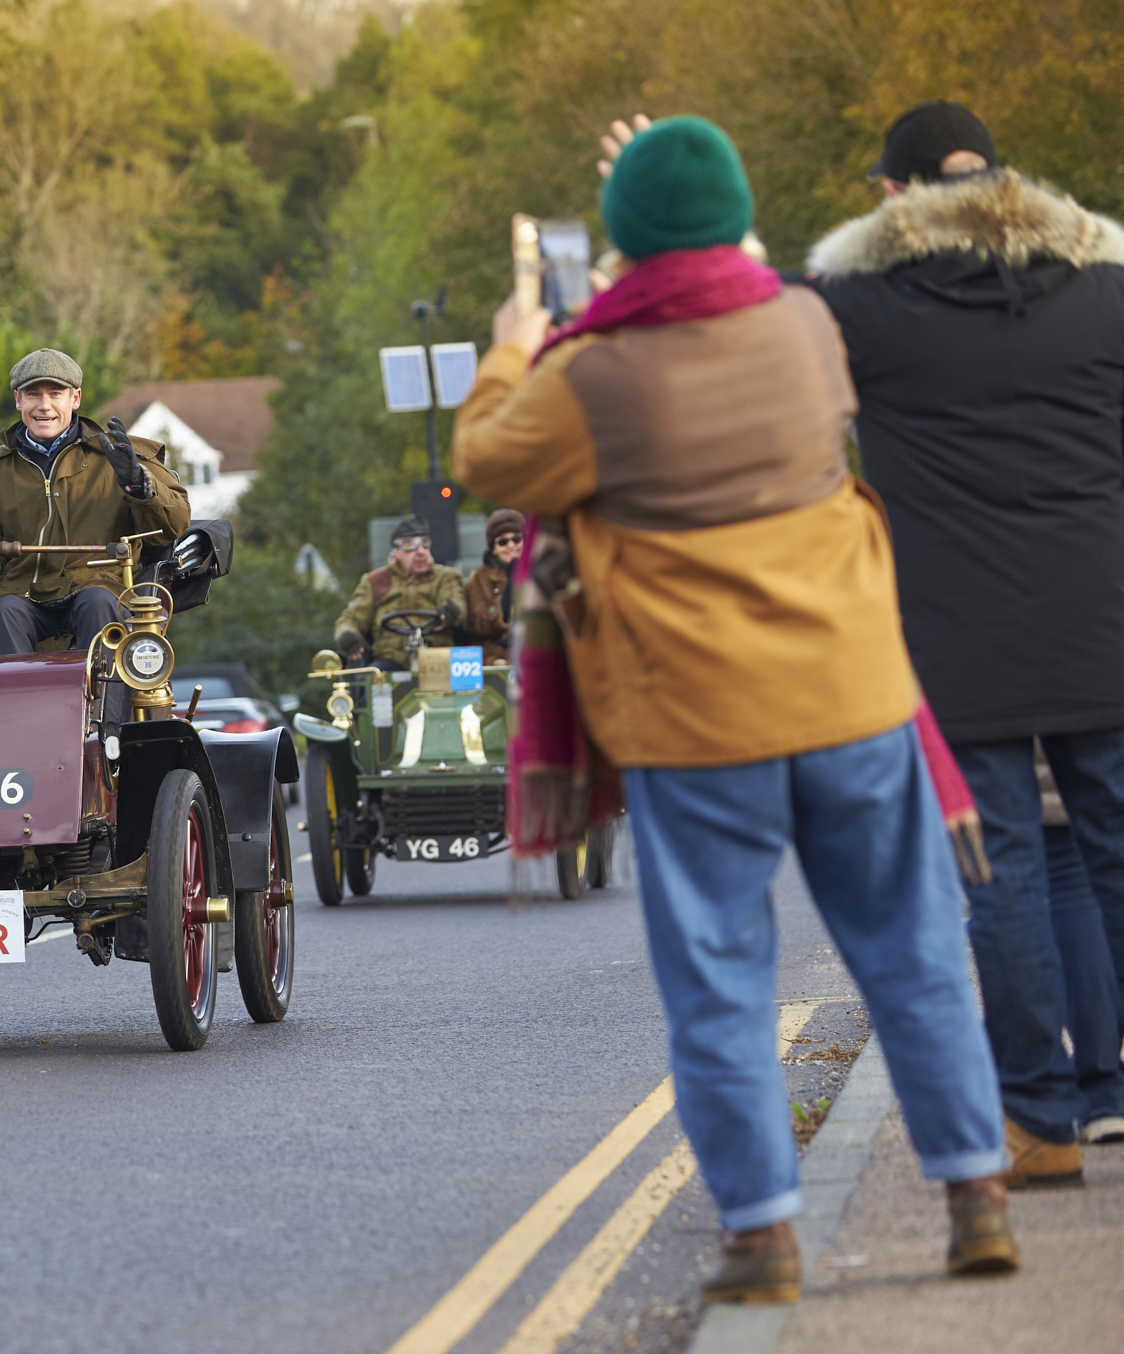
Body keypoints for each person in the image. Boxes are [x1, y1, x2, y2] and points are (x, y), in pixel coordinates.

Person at [452, 114, 1013, 1301]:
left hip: (694, 721)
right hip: (854, 694)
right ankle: (974, 1194)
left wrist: (516, 342)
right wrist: (679, 200)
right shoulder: (807, 324)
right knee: (914, 952)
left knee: (719, 978)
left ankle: (762, 1237)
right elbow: (737, 266)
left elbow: (491, 460)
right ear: (738, 222)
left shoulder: (587, 373)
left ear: (621, 245)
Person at [805, 101, 1124, 1185]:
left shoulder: (858, 306)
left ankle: (1038, 1121)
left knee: (1004, 875)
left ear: (895, 195)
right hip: (1106, 614)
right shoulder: (1107, 284)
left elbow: (746, 329)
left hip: (952, 633)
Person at [0, 349, 188, 655]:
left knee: (99, 603)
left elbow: (173, 527)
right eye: (33, 394)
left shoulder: (121, 457)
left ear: (75, 399)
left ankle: (100, 702)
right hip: (20, 591)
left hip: (97, 586)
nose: (44, 406)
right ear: (18, 401)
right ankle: (15, 703)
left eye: (55, 394)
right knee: (1, 612)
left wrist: (139, 486)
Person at [1038, 750, 1124, 1144]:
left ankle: (1073, 1094)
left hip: (1003, 714)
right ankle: (1103, 1090)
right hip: (1099, 704)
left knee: (1057, 873)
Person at [333, 517, 465, 671]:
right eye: (410, 545)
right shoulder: (374, 581)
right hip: (391, 663)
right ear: (397, 551)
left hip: (439, 662)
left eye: (424, 543)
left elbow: (456, 601)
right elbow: (350, 619)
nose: (420, 551)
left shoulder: (446, 577)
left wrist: (452, 610)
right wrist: (347, 635)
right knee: (375, 677)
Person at [462, 508, 523, 661]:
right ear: (494, 549)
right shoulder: (478, 579)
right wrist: (504, 612)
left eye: (516, 539)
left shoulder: (538, 572)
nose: (510, 545)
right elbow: (476, 622)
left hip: (531, 647)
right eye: (502, 541)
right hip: (493, 654)